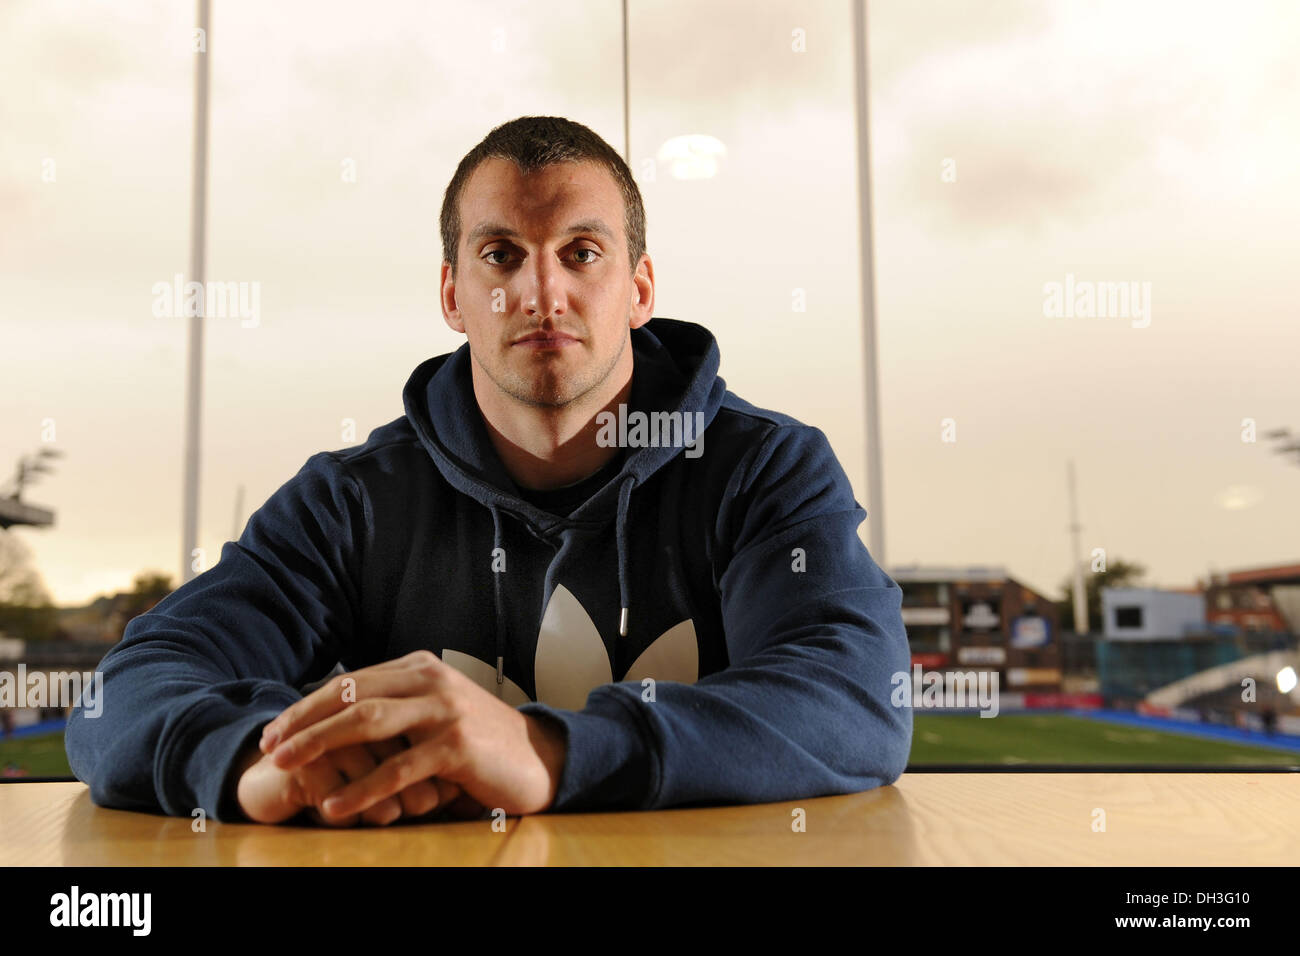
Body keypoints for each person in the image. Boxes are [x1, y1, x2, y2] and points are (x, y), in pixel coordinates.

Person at [65, 116, 911, 827]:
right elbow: (132, 690)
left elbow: (856, 695)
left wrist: (546, 751)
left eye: (581, 252)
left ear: (640, 288)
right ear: (452, 295)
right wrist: (254, 763)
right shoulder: (352, 502)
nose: (541, 293)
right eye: (502, 255)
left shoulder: (761, 467)